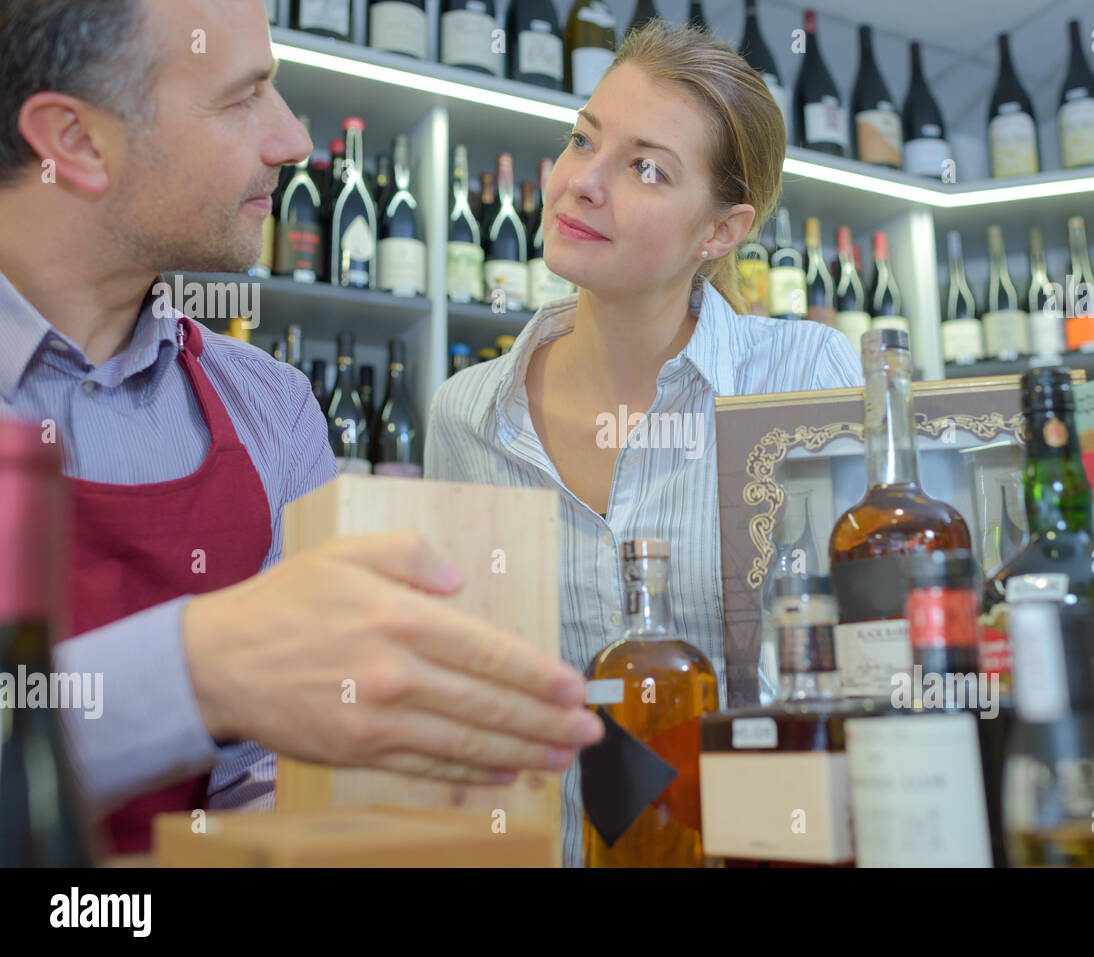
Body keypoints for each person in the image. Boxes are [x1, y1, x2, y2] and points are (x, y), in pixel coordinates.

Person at [0, 0, 602, 855]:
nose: (292, 141)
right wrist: (199, 670)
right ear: (77, 142)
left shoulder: (272, 405)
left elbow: (271, 777)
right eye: (243, 98)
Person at [426, 21, 867, 867]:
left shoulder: (805, 374)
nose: (583, 183)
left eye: (646, 167)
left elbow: (868, 670)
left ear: (720, 231)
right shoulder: (466, 417)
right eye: (582, 139)